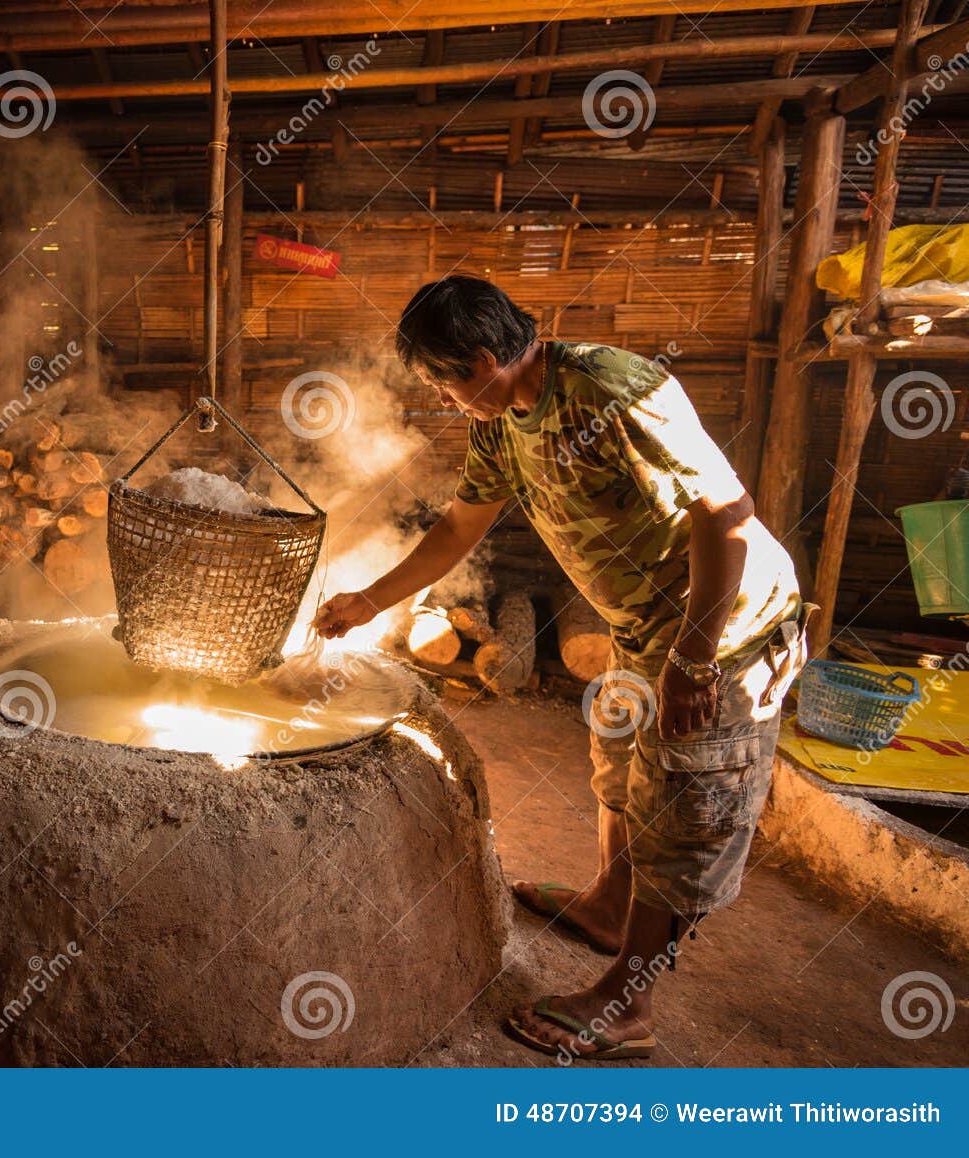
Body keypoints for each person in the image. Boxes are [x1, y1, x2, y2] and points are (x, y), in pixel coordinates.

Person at [315, 276, 808, 1062]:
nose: (446, 397)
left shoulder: (613, 389)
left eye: (445, 380)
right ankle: (613, 905)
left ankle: (628, 1000)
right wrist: (370, 600)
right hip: (644, 630)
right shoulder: (502, 420)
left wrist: (694, 653)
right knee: (618, 764)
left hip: (724, 633)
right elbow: (458, 526)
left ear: (481, 359)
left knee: (687, 807)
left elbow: (725, 513)